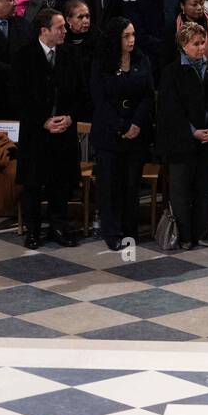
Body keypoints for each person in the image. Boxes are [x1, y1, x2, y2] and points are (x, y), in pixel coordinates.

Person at [157, 23, 208, 251]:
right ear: (183, 45)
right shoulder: (171, 72)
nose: (201, 48)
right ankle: (184, 236)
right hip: (182, 144)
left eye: (203, 43)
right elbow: (170, 111)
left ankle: (201, 234)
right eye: (196, 44)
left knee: (202, 189)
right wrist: (193, 132)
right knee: (181, 191)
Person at [12, 8, 81, 249]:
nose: (65, 30)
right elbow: (19, 97)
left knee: (60, 181)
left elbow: (80, 92)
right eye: (60, 27)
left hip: (64, 130)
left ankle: (58, 226)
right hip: (36, 132)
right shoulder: (24, 56)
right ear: (44, 30)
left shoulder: (70, 54)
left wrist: (70, 117)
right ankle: (33, 230)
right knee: (33, 182)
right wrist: (43, 120)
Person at [89, 17, 155, 252]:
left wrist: (136, 123)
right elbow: (100, 99)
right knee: (110, 185)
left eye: (133, 35)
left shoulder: (141, 59)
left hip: (136, 135)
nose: (132, 40)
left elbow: (148, 94)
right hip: (109, 134)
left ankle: (130, 230)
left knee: (131, 185)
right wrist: (120, 125)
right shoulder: (101, 63)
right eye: (126, 36)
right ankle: (112, 231)